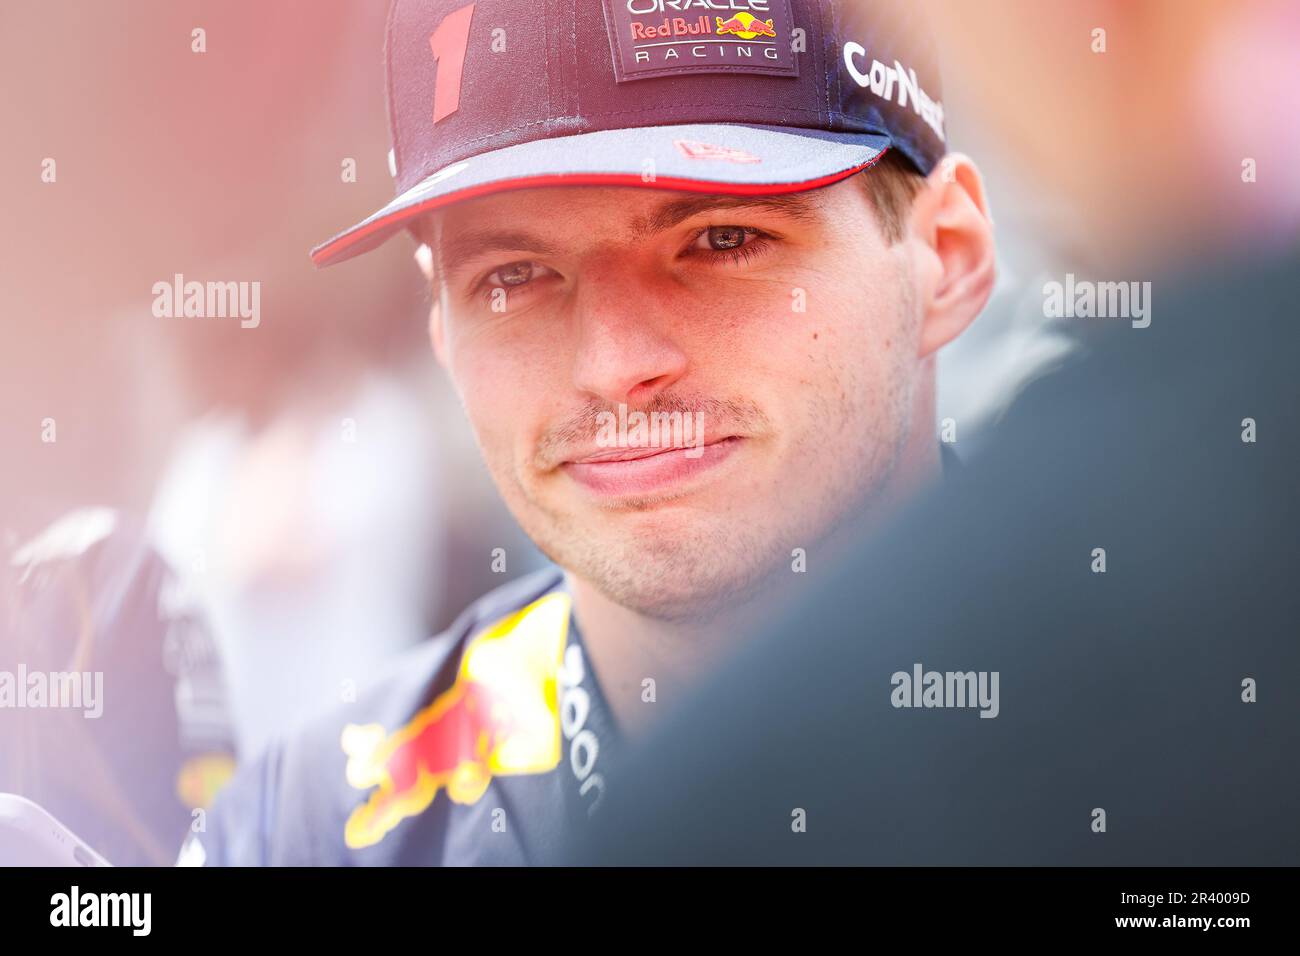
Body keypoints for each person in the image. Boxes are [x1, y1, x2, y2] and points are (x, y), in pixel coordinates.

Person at [186, 0, 995, 865]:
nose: (611, 366)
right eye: (516, 274)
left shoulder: (1146, 728)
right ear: (441, 328)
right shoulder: (300, 835)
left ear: (944, 254)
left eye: (723, 239)